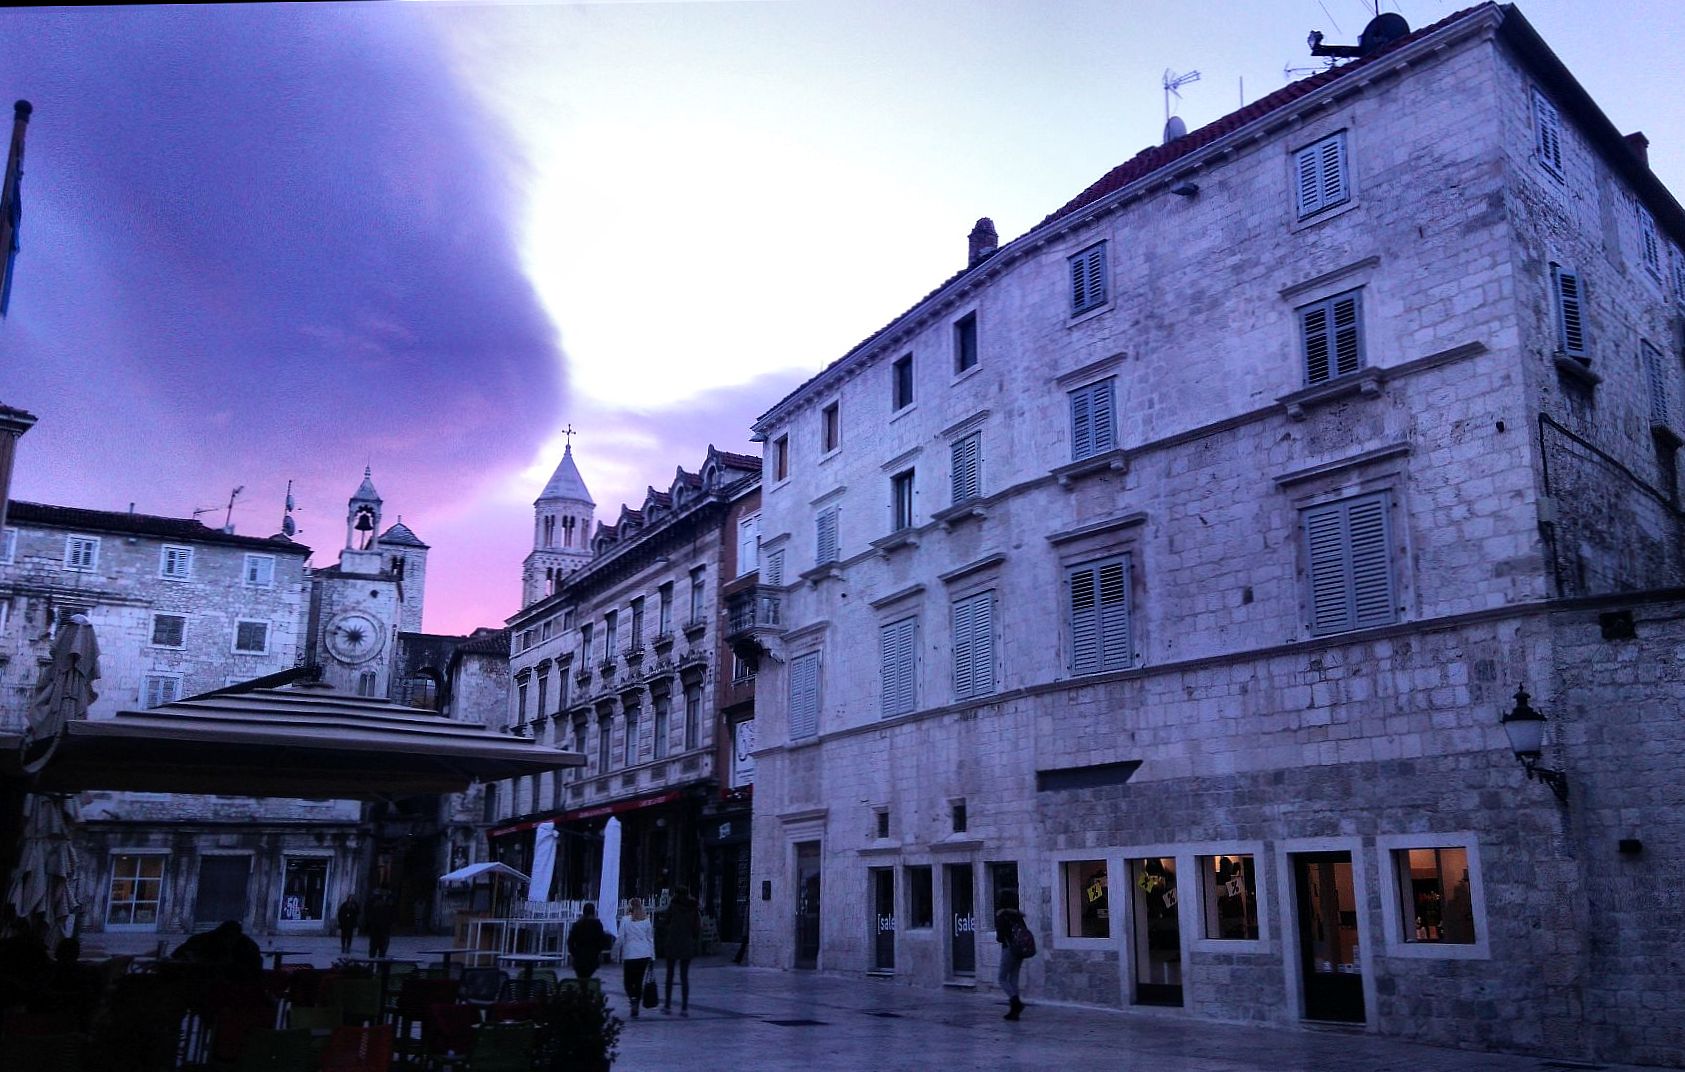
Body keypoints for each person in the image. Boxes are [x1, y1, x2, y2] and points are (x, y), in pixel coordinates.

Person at [171, 920, 262, 981]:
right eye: (227, 937)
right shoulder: (203, 940)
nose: (229, 942)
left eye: (231, 938)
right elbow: (177, 954)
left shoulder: (247, 947)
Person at [661, 887, 702, 1015]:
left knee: (670, 975)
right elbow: (696, 928)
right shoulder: (693, 908)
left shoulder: (673, 906)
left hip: (673, 943)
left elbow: (665, 923)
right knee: (684, 977)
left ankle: (667, 1005)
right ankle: (684, 1008)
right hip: (687, 944)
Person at [612, 898, 655, 1019]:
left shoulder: (625, 920)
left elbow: (620, 938)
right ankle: (636, 1001)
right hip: (644, 954)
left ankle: (633, 1000)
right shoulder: (646, 920)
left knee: (628, 982)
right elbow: (650, 939)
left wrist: (614, 952)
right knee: (639, 981)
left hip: (630, 955)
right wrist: (652, 956)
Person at [994, 890, 1028, 1021]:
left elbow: (1000, 937)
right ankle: (1014, 1012)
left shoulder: (1001, 916)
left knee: (1002, 978)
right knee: (1014, 979)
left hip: (1008, 949)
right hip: (1020, 951)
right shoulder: (1018, 916)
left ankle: (1016, 1004)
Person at [567, 902, 609, 981]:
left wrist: (574, 953)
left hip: (579, 958)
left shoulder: (577, 925)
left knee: (581, 979)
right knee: (587, 978)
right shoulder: (597, 924)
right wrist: (597, 951)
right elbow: (602, 940)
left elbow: (570, 941)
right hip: (592, 958)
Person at [364, 887, 396, 959]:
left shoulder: (390, 901)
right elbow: (368, 910)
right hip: (376, 929)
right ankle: (372, 965)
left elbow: (393, 913)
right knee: (374, 950)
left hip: (384, 930)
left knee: (381, 950)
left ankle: (379, 967)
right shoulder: (375, 901)